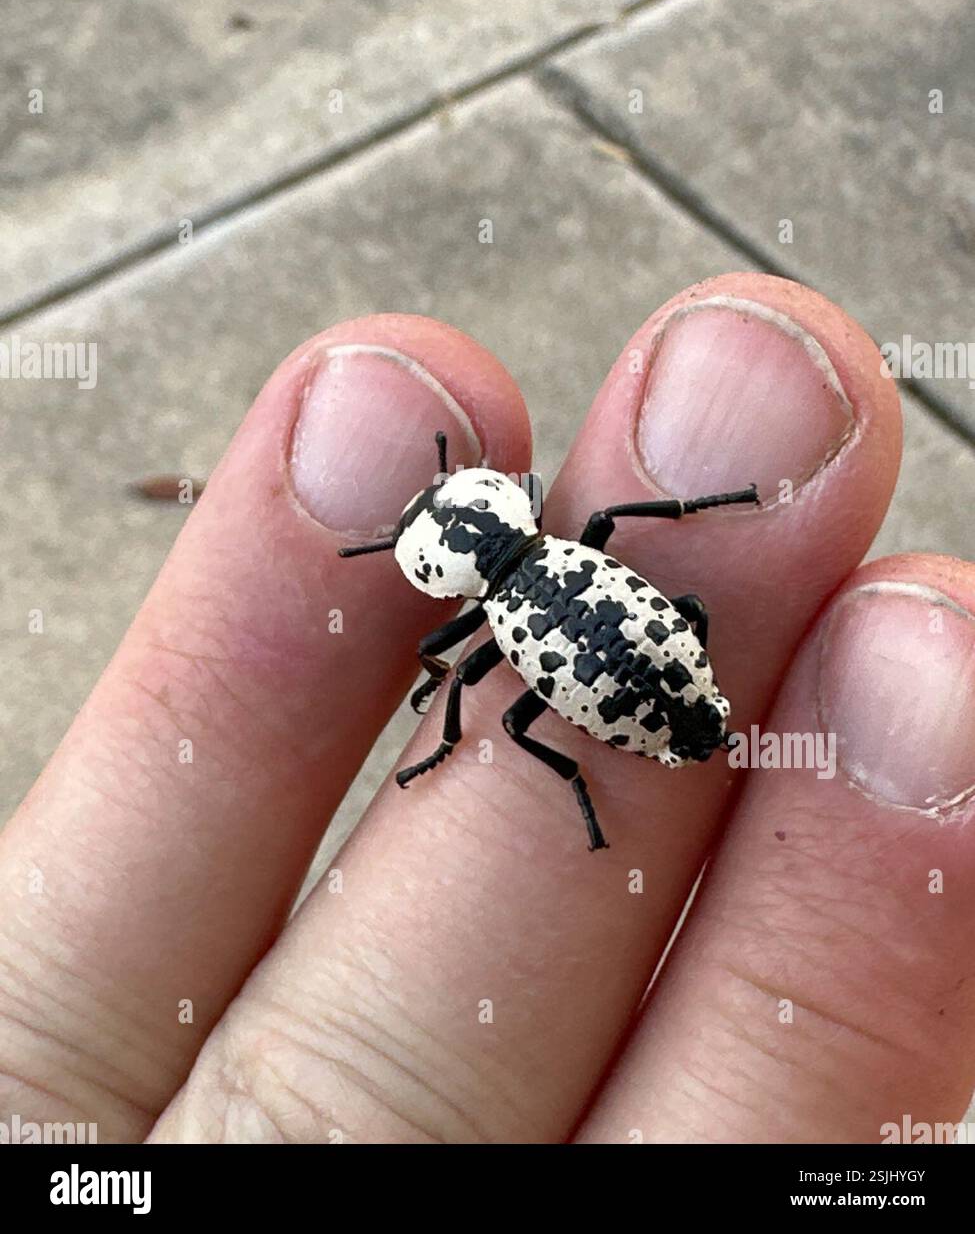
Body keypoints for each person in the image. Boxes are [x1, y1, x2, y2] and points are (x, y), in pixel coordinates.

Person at [1, 272, 972, 1144]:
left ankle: (579, 776)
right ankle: (614, 750)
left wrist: (448, 728)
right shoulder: (557, 533)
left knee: (500, 714)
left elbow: (447, 661)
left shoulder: (475, 626)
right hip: (641, 645)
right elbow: (598, 562)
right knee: (602, 637)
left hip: (604, 666)